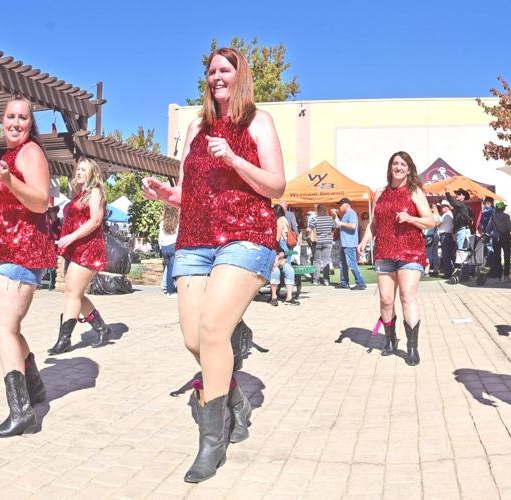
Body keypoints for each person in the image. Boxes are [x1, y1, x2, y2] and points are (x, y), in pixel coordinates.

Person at [140, 47, 285, 482]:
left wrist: (236, 159)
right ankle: (235, 400)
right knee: (194, 340)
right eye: (211, 71)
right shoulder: (196, 127)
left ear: (240, 76)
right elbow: (191, 193)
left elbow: (277, 186)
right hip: (195, 239)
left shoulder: (259, 122)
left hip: (246, 236)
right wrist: (167, 196)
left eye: (225, 70)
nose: (217, 76)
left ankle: (212, 439)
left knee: (213, 330)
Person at [0, 94, 56, 437]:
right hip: (4, 253)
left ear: (30, 123)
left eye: (23, 117)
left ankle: (21, 413)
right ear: (2, 120)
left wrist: (8, 180)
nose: (16, 123)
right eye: (11, 116)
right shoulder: (7, 156)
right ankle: (34, 388)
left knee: (4, 328)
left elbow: (41, 201)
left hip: (22, 253)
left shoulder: (31, 152)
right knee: (10, 329)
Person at [357, 152, 436, 366]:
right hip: (385, 251)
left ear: (409, 169)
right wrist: (364, 241)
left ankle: (412, 348)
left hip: (410, 251)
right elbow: (374, 223)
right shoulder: (380, 192)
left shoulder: (414, 191)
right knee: (386, 299)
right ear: (390, 167)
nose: (398, 167)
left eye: (402, 164)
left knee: (407, 296)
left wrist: (410, 218)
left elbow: (430, 221)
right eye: (395, 163)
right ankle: (390, 341)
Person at [49, 158, 112, 353]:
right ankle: (102, 329)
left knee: (72, 293)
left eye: (84, 170)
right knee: (74, 293)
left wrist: (71, 237)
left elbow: (95, 221)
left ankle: (64, 340)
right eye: (78, 169)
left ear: (93, 173)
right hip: (77, 248)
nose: (79, 172)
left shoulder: (95, 192)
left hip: (89, 247)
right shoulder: (80, 195)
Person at [332, 198, 366, 290]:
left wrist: (341, 223)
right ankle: (344, 282)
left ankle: (361, 283)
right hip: (345, 243)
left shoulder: (351, 213)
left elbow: (353, 226)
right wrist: (336, 216)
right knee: (343, 264)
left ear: (346, 205)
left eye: (340, 205)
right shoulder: (346, 214)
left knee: (352, 264)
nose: (339, 207)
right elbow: (340, 225)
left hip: (349, 243)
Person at [444, 189, 472, 284]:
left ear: (463, 196)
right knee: (463, 253)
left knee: (461, 253)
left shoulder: (461, 205)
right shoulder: (461, 207)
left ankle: (462, 275)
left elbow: (452, 202)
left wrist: (447, 192)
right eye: (456, 194)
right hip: (462, 231)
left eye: (459, 194)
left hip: (463, 231)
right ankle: (464, 275)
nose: (457, 196)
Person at [309, 204, 335, 286]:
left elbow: (309, 229)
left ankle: (315, 280)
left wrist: (307, 236)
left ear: (318, 210)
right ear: (325, 210)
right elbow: (333, 228)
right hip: (328, 241)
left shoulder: (315, 219)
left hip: (318, 241)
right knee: (326, 261)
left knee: (316, 261)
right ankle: (326, 280)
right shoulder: (330, 219)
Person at [159, 205, 179, 297]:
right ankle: (171, 292)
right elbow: (178, 234)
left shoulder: (163, 222)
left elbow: (160, 237)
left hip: (164, 247)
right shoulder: (177, 222)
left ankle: (168, 289)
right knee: (172, 270)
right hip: (173, 245)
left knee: (168, 269)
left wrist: (161, 248)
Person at [491, 201, 511, 281]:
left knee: (497, 257)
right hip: (505, 238)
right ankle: (506, 276)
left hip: (496, 238)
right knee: (507, 257)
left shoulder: (493, 216)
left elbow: (488, 228)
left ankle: (498, 276)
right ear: (503, 208)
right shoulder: (506, 216)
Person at [437, 200, 455, 279]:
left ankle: (448, 273)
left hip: (445, 235)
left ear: (448, 207)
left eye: (444, 206)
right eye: (442, 206)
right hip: (448, 235)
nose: (442, 207)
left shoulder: (446, 215)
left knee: (446, 255)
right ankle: (451, 271)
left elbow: (437, 224)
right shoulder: (449, 214)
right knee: (449, 255)